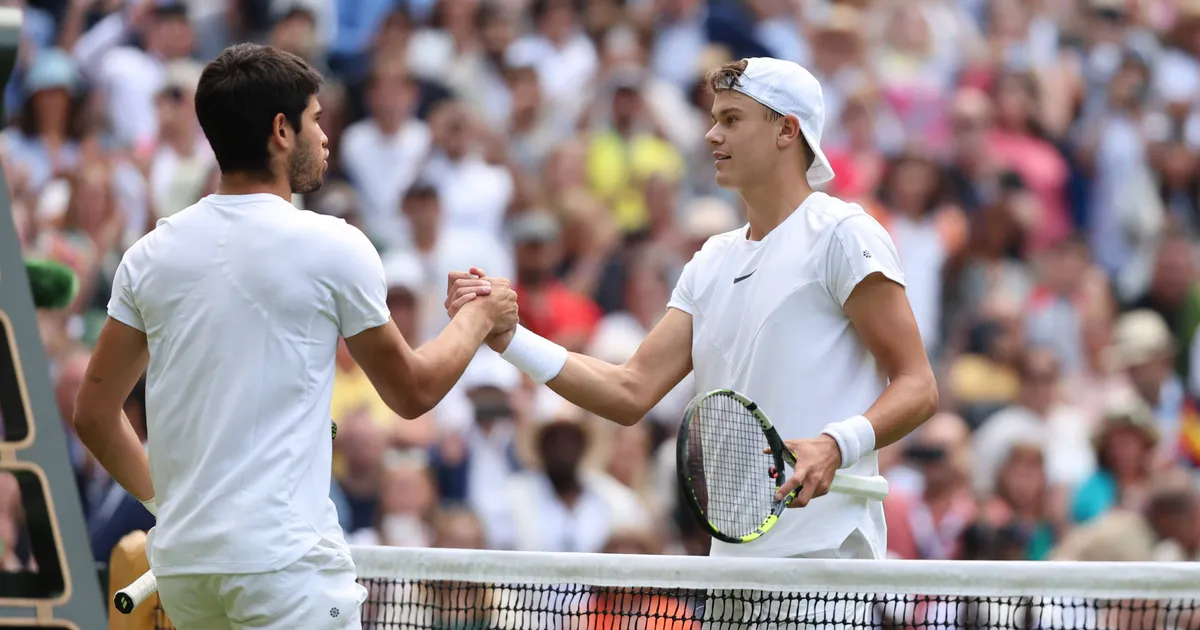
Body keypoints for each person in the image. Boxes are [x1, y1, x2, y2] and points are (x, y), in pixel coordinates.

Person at [71, 44, 517, 629]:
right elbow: (413, 392)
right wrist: (479, 318)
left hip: (187, 574)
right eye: (315, 120)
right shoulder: (335, 245)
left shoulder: (147, 256)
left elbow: (94, 416)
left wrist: (169, 507)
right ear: (281, 131)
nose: (325, 137)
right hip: (287, 575)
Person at [447, 57, 937, 564]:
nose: (710, 135)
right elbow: (629, 390)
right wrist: (508, 337)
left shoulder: (843, 234)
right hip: (728, 565)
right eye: (713, 118)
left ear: (786, 130)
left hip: (827, 559)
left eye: (731, 119)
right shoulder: (710, 260)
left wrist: (837, 445)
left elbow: (919, 386)